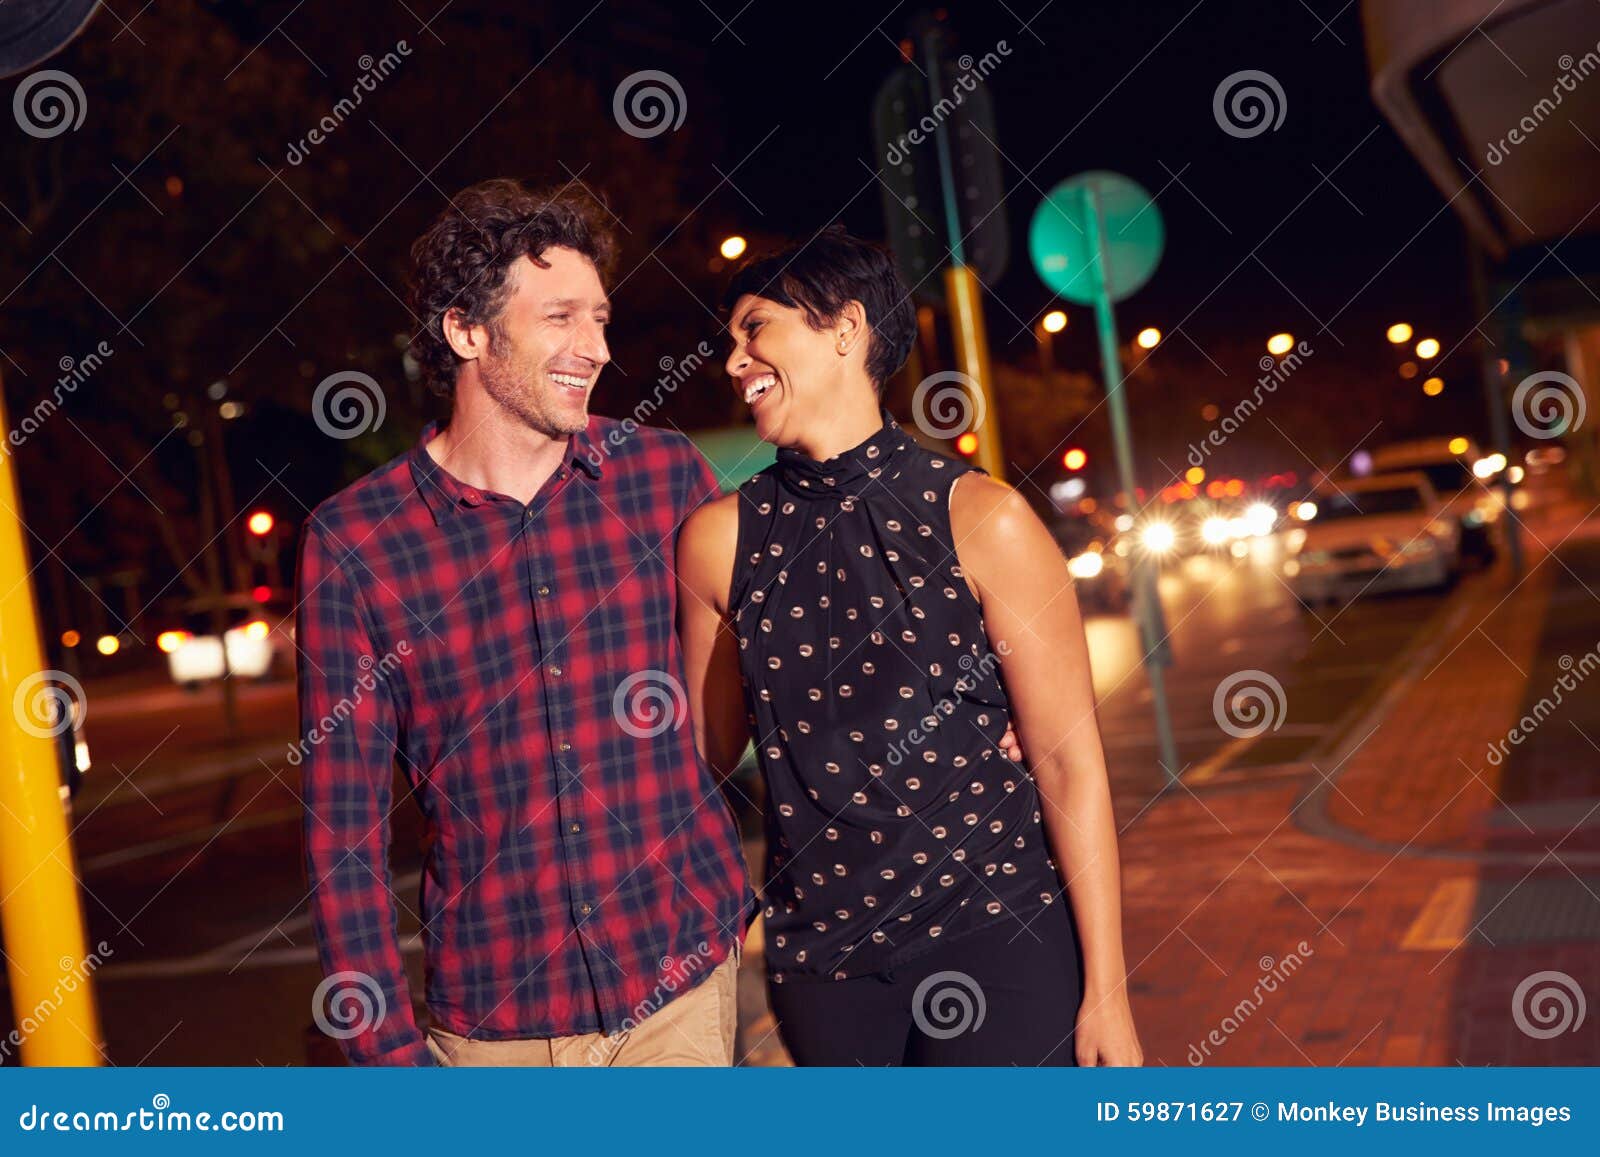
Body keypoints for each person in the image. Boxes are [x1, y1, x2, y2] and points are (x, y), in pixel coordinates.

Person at [296, 179, 752, 1066]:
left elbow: (786, 655)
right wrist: (386, 1055)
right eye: (561, 318)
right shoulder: (356, 542)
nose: (598, 347)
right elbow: (341, 829)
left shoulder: (666, 478)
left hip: (681, 991)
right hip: (496, 1026)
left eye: (601, 319)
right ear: (467, 331)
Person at [677, 227, 1143, 1066]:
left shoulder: (985, 519)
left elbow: (1070, 764)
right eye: (730, 340)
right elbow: (708, 755)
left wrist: (1107, 989)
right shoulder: (717, 541)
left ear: (845, 328)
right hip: (823, 965)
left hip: (997, 931)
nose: (735, 360)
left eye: (756, 328)